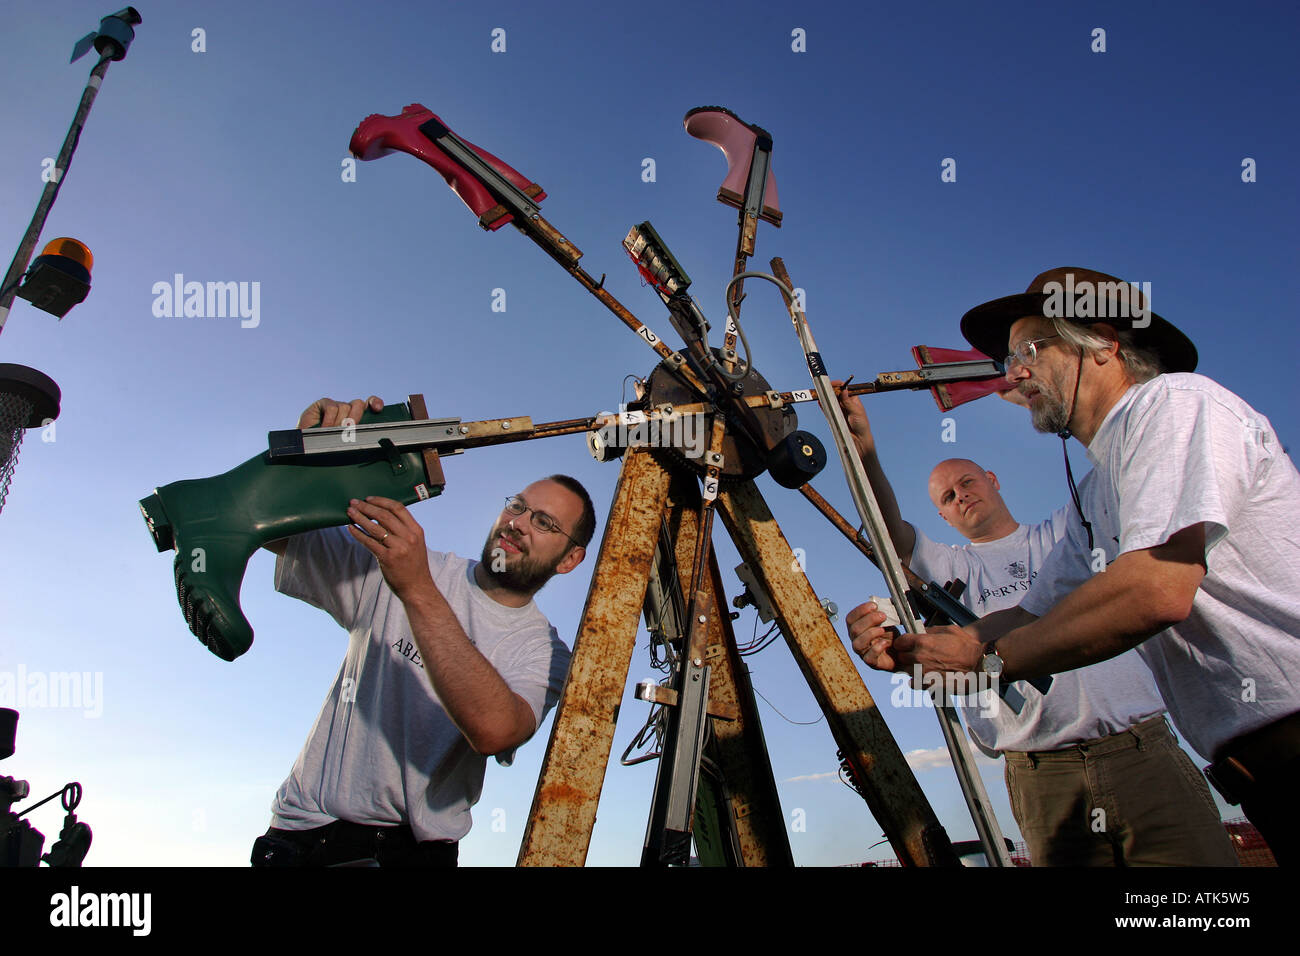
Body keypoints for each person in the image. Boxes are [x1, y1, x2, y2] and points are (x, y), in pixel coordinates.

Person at [848, 267, 1300, 864]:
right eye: (1011, 358)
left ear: (1106, 342)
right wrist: (938, 648)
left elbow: (1154, 591)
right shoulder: (1098, 489)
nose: (1013, 373)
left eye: (1030, 349)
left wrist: (986, 661)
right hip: (1260, 765)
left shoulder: (1172, 404)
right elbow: (1032, 611)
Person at [838, 386, 1236, 865]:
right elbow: (886, 531)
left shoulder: (1067, 532)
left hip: (1140, 751)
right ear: (941, 515)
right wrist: (864, 452)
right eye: (947, 497)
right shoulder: (945, 567)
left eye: (967, 482)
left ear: (993, 479)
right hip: (1040, 773)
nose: (961, 495)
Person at [250, 395, 593, 867]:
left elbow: (496, 732)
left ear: (570, 558)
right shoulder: (404, 560)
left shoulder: (544, 652)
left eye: (544, 522)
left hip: (408, 854)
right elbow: (267, 524)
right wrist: (303, 458)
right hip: (299, 836)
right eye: (517, 505)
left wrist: (416, 589)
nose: (517, 523)